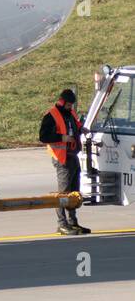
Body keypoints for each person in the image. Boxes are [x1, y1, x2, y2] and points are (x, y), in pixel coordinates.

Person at [39, 89, 90, 235]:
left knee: (73, 192)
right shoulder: (51, 116)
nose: (70, 107)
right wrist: (62, 138)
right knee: (63, 194)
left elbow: (75, 127)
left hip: (73, 156)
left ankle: (73, 222)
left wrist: (82, 129)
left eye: (71, 105)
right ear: (62, 102)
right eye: (68, 105)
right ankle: (62, 224)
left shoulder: (70, 113)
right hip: (62, 158)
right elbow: (43, 136)